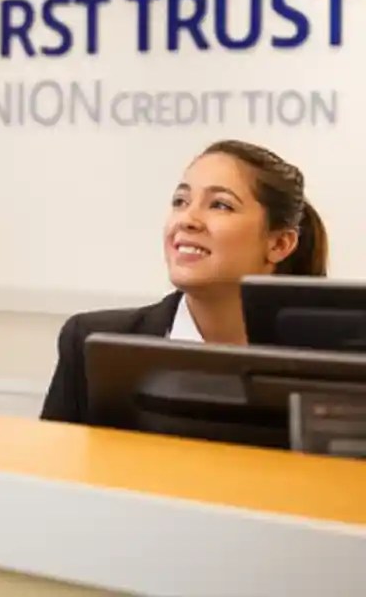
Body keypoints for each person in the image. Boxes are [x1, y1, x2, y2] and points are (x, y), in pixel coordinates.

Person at [40, 139, 329, 424]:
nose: (188, 220)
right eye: (180, 201)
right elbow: (52, 469)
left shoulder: (323, 365)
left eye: (220, 205)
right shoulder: (91, 343)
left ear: (279, 243)